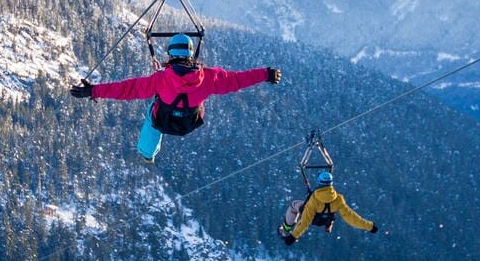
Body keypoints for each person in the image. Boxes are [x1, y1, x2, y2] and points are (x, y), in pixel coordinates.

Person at [70, 34, 281, 162]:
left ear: (171, 54)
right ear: (191, 55)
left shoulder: (161, 80)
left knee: (152, 114)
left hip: (163, 120)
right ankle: (149, 149)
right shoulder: (208, 78)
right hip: (189, 123)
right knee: (165, 104)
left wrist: (94, 90)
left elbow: (127, 89)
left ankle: (147, 152)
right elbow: (238, 80)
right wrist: (265, 73)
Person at [280, 171, 378, 245]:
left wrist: (293, 236)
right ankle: (328, 225)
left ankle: (285, 229)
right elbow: (352, 218)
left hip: (314, 217)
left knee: (294, 205)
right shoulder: (338, 199)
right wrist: (369, 226)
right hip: (325, 220)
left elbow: (305, 221)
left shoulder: (314, 200)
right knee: (333, 213)